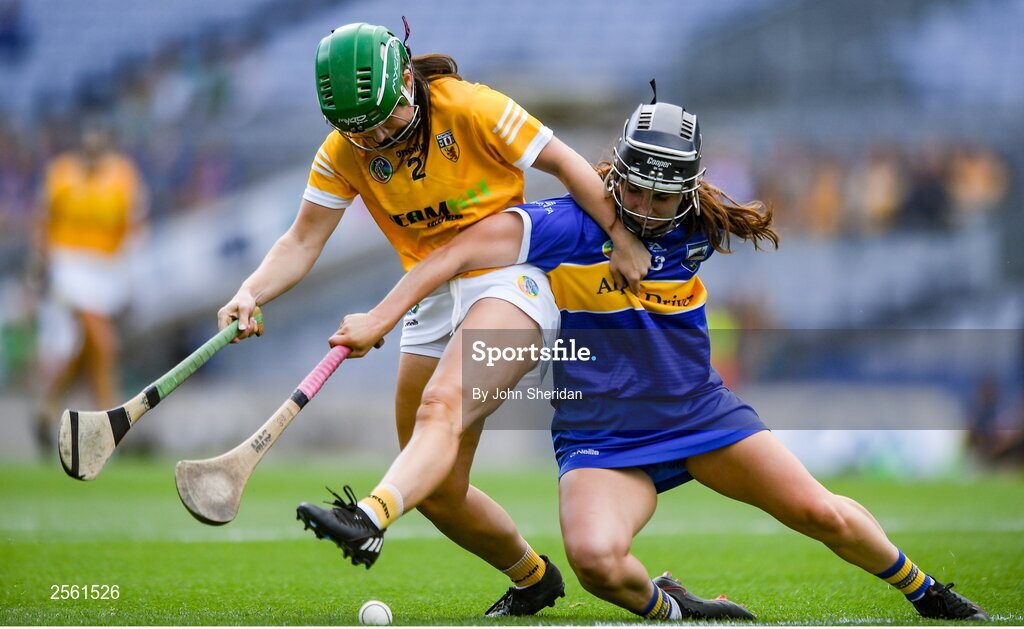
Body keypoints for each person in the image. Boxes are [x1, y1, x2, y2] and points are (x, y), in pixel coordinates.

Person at [328, 100, 990, 622]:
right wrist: (384, 316)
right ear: (614, 175)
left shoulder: (701, 222)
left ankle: (927, 591)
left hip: (701, 414)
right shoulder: (569, 224)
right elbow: (452, 254)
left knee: (821, 512)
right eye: (632, 192)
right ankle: (674, 607)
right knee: (594, 561)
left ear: (690, 191)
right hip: (601, 438)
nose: (642, 210)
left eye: (659, 197)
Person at [217, 21, 649, 616]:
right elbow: (301, 241)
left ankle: (367, 515)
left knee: (439, 409)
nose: (376, 136)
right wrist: (250, 291)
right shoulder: (347, 149)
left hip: (508, 280)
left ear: (406, 81)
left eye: (386, 117)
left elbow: (569, 166)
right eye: (358, 128)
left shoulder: (473, 107)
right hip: (427, 297)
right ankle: (533, 578)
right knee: (438, 489)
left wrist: (622, 238)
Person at [32, 124, 148, 451]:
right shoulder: (61, 174)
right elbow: (43, 222)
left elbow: (135, 224)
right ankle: (113, 422)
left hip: (106, 271)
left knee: (88, 348)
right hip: (68, 266)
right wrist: (40, 262)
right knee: (104, 343)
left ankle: (47, 406)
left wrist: (129, 268)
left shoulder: (124, 176)